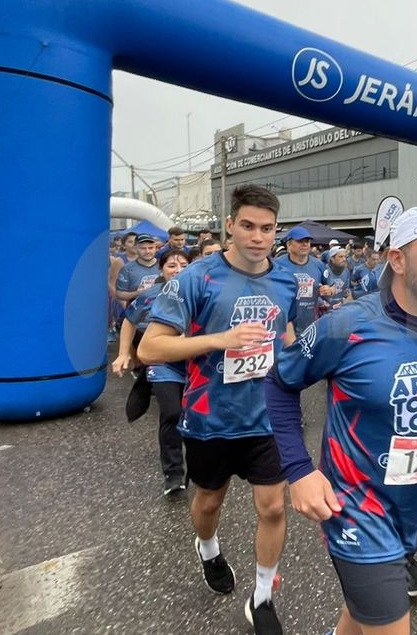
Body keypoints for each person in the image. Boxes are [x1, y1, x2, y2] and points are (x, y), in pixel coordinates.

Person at [266, 207, 417, 635]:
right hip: (354, 505)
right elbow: (279, 384)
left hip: (416, 500)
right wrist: (299, 471)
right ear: (397, 260)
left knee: (366, 610)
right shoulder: (347, 325)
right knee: (387, 618)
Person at [138, 185, 298, 634]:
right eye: (247, 226)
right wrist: (219, 340)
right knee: (209, 502)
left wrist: (305, 364)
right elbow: (151, 348)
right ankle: (207, 547)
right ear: (230, 225)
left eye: (266, 228)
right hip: (210, 418)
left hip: (267, 416)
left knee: (272, 509)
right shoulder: (196, 278)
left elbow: (283, 337)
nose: (257, 236)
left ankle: (262, 598)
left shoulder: (284, 280)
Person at [111, 248, 191, 494]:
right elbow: (129, 320)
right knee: (171, 413)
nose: (178, 271)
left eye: (183, 266)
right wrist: (124, 353)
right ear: (161, 270)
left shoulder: (203, 291)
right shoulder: (151, 294)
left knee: (196, 416)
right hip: (162, 363)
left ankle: (201, 466)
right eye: (171, 266)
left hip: (194, 365)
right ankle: (174, 473)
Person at [275, 226, 326, 335]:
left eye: (307, 241)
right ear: (289, 244)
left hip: (310, 326)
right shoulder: (276, 266)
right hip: (284, 329)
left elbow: (331, 286)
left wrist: (328, 290)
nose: (305, 244)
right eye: (300, 241)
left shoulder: (319, 265)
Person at [114, 234, 161, 305]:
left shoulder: (164, 265)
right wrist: (137, 293)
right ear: (136, 248)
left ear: (155, 248)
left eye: (151, 248)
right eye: (143, 248)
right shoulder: (127, 269)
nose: (147, 251)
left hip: (161, 311)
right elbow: (119, 294)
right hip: (137, 312)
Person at [320, 247, 353, 314]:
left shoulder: (346, 271)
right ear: (332, 258)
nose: (344, 259)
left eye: (345, 257)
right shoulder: (323, 270)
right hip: (323, 311)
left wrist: (344, 303)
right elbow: (315, 293)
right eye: (340, 257)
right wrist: (323, 303)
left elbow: (346, 292)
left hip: (339, 311)